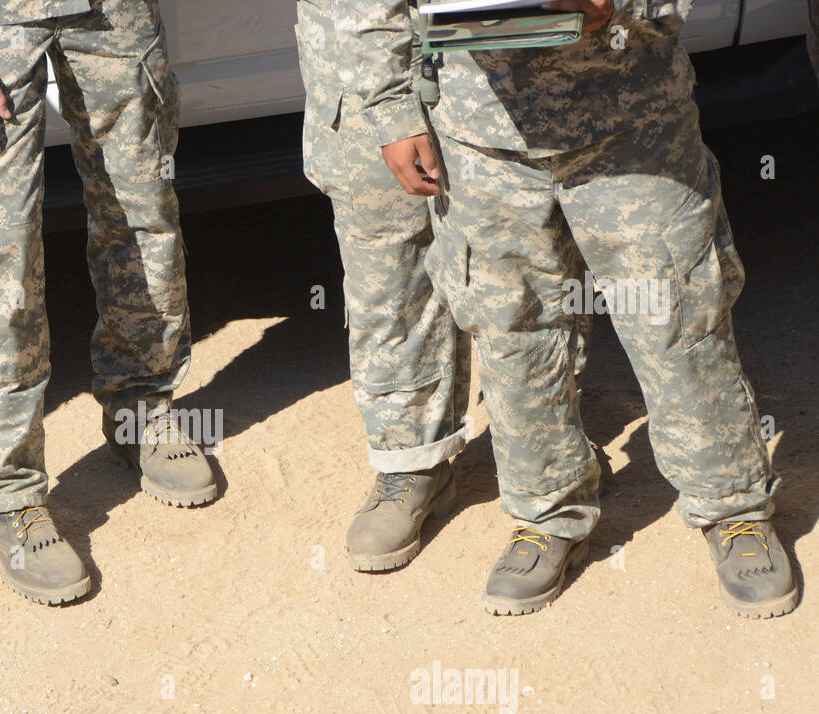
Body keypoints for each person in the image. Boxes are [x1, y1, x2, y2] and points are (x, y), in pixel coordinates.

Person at [378, 0, 796, 617]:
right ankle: (545, 512)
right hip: (479, 136)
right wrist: (391, 107)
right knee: (511, 327)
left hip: (631, 121)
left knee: (676, 317)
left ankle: (733, 506)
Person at [0, 0, 217, 605]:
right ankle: (7, 496)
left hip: (114, 12)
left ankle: (142, 409)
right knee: (4, 256)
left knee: (142, 215)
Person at [294, 0, 465, 572]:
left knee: (528, 261)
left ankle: (554, 442)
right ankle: (410, 463)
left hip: (508, 59)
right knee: (389, 279)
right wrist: (394, 112)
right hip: (366, 66)